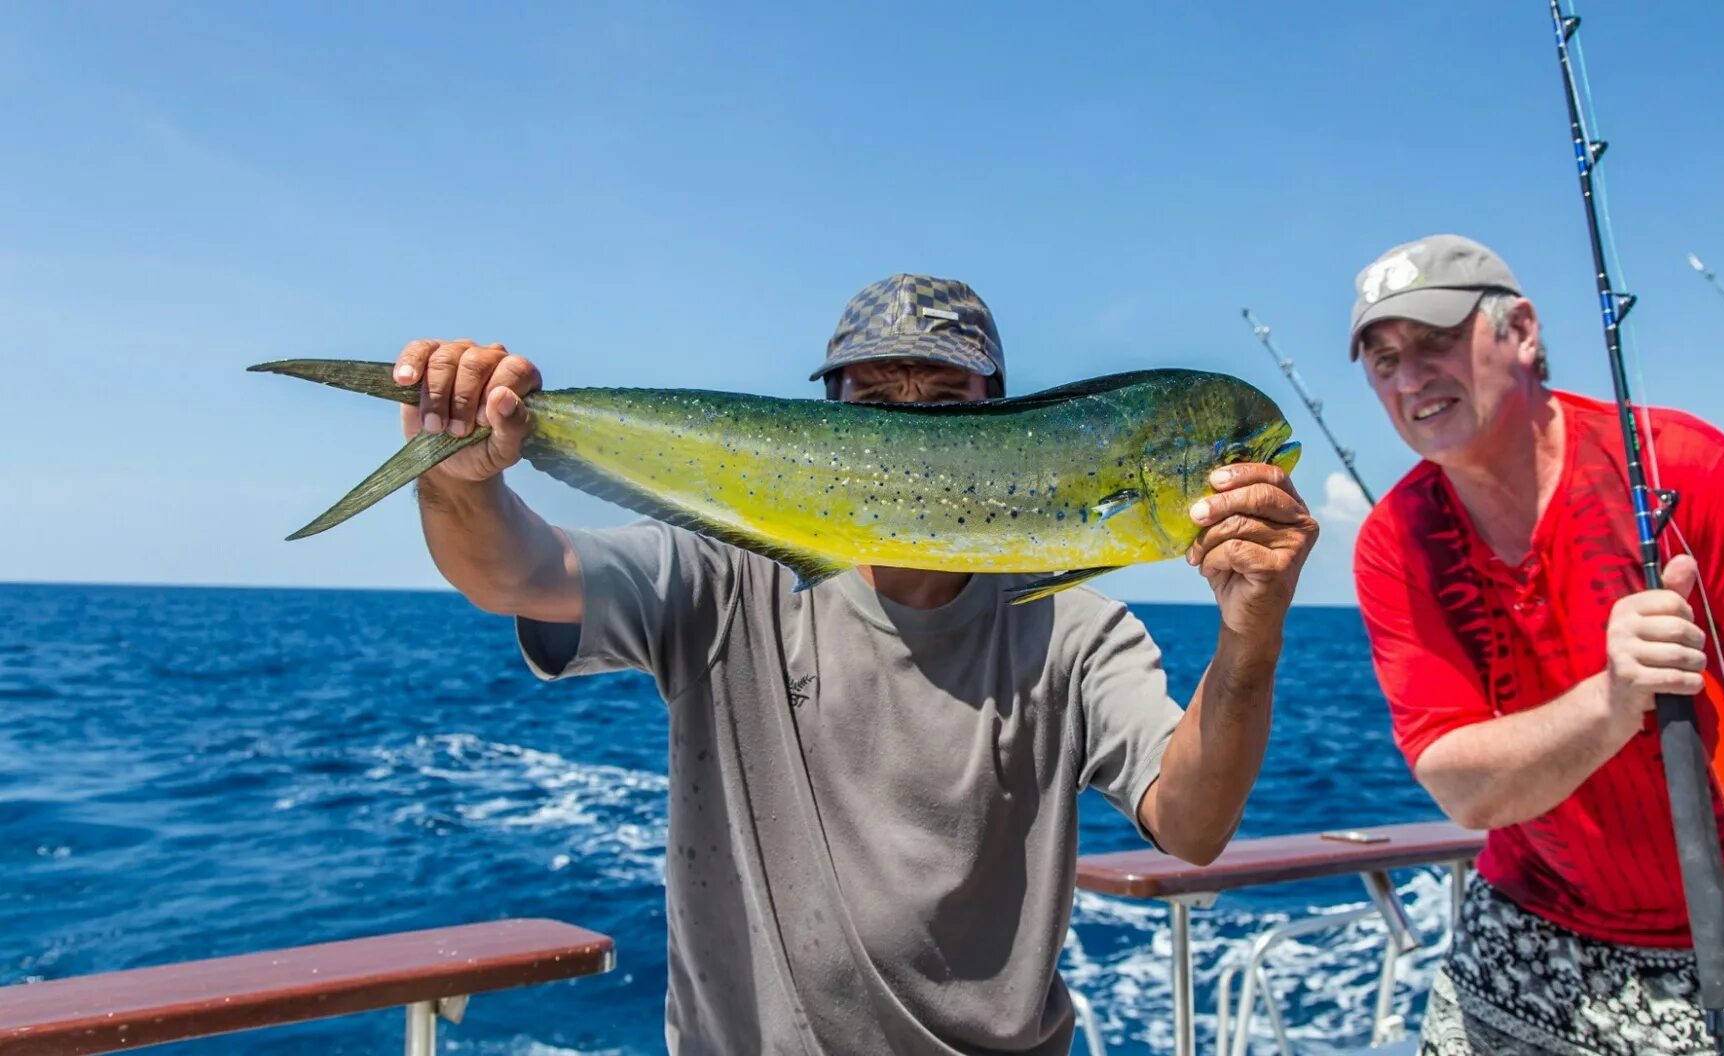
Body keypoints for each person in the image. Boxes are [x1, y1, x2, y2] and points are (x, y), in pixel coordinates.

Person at [390, 273, 1319, 1055]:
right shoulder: (725, 576)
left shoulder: (1075, 628)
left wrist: (1252, 632)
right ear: (830, 419)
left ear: (999, 419)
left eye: (946, 406)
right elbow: (512, 571)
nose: (910, 433)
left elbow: (1193, 822)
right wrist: (454, 475)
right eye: (876, 406)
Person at [1344, 235, 1724, 1055]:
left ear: (1525, 331)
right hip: (1531, 934)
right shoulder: (1393, 542)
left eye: (1435, 341)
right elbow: (1463, 784)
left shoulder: (1693, 469)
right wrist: (1611, 703)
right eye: (1384, 360)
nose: (1409, 379)